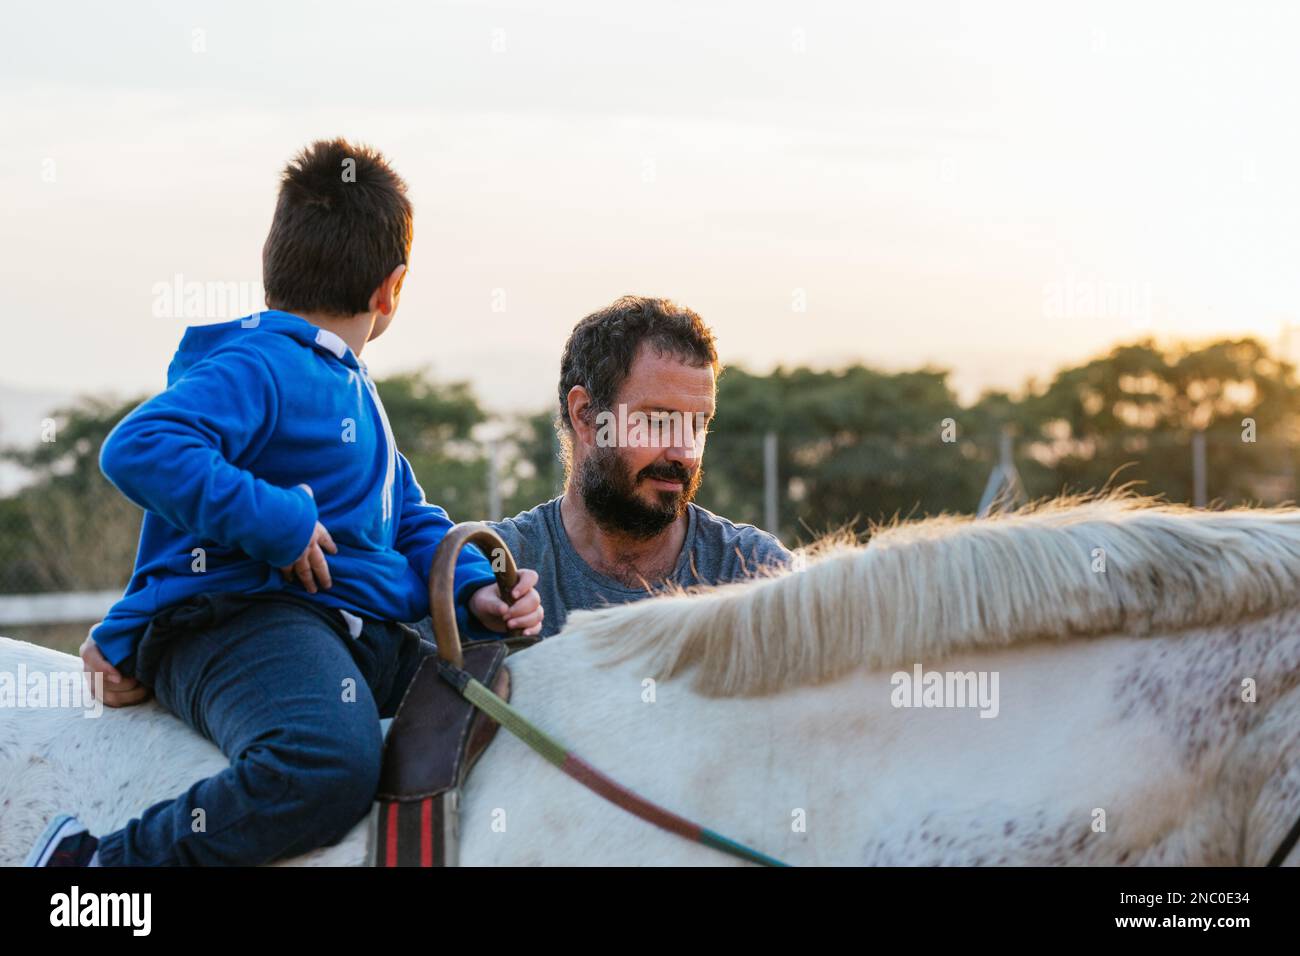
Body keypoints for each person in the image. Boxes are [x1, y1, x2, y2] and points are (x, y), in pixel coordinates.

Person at [25, 139, 543, 868]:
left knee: (507, 695)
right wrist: (278, 520)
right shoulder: (260, 363)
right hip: (234, 618)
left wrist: (474, 592)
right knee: (324, 763)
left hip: (345, 632)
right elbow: (140, 445)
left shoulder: (352, 391)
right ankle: (92, 871)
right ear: (390, 290)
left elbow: (408, 520)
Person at [488, 295, 791, 638]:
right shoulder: (491, 570)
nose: (686, 453)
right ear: (585, 416)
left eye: (698, 424)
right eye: (658, 421)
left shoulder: (753, 572)